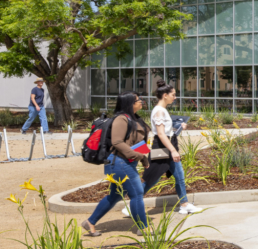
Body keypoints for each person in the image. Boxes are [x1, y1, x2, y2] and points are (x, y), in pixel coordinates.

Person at [123, 80, 203, 216]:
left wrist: (178, 127)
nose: (175, 97)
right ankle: (131, 205)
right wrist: (172, 150)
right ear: (165, 95)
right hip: (162, 147)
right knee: (153, 178)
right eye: (173, 94)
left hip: (166, 144)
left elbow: (165, 131)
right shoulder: (159, 111)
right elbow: (160, 134)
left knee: (179, 176)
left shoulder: (161, 110)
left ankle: (184, 205)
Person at [82, 92, 151, 236]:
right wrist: (140, 156)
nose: (141, 102)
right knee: (137, 194)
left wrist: (144, 159)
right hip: (119, 163)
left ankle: (90, 222)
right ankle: (143, 228)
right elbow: (117, 142)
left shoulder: (135, 118)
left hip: (126, 163)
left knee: (115, 196)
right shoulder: (121, 119)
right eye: (138, 100)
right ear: (129, 103)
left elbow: (136, 142)